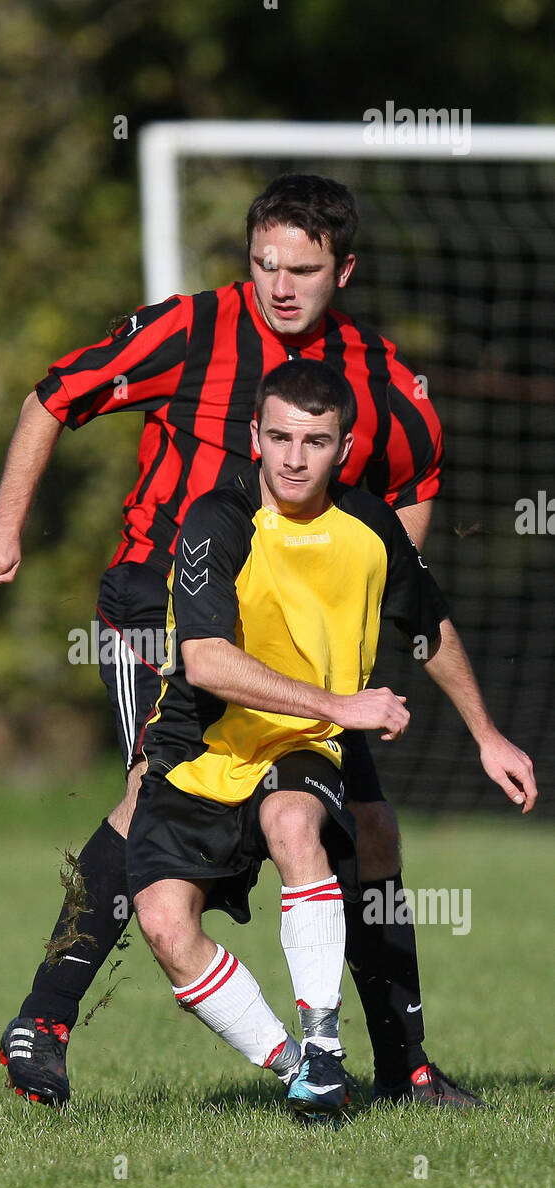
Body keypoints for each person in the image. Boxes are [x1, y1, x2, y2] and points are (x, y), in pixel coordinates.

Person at [0, 174, 502, 1106]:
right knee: (150, 793)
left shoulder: (378, 374)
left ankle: (405, 1068)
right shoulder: (190, 327)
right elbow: (53, 397)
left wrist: (376, 591)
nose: (280, 286)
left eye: (303, 269)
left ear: (346, 268)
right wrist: (5, 523)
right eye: (264, 265)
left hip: (296, 645)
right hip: (159, 614)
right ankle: (44, 1021)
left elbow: (420, 472)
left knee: (371, 828)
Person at [128, 360, 536, 1117]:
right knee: (162, 925)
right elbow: (206, 661)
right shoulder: (217, 520)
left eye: (314, 441)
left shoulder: (369, 524)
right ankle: (297, 1065)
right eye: (278, 437)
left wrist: (487, 734)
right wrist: (340, 701)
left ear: (343, 446)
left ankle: (325, 1046)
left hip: (301, 744)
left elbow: (429, 624)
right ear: (254, 435)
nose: (292, 457)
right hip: (199, 751)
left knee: (296, 824)